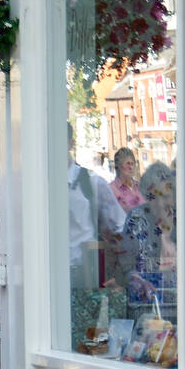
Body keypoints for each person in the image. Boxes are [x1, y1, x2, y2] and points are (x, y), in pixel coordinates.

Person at [67, 122, 125, 287]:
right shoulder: (39, 186)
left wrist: (123, 274)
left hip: (85, 276)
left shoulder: (91, 183)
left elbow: (120, 227)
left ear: (70, 144)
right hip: (45, 276)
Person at [119, 162, 177, 313]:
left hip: (180, 307)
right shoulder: (137, 217)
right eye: (153, 197)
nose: (159, 203)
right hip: (145, 308)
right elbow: (124, 265)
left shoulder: (183, 221)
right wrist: (135, 279)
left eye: (165, 196)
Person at [110, 147, 143, 212]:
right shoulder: (111, 190)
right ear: (118, 166)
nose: (131, 167)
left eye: (132, 163)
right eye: (127, 163)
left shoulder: (140, 186)